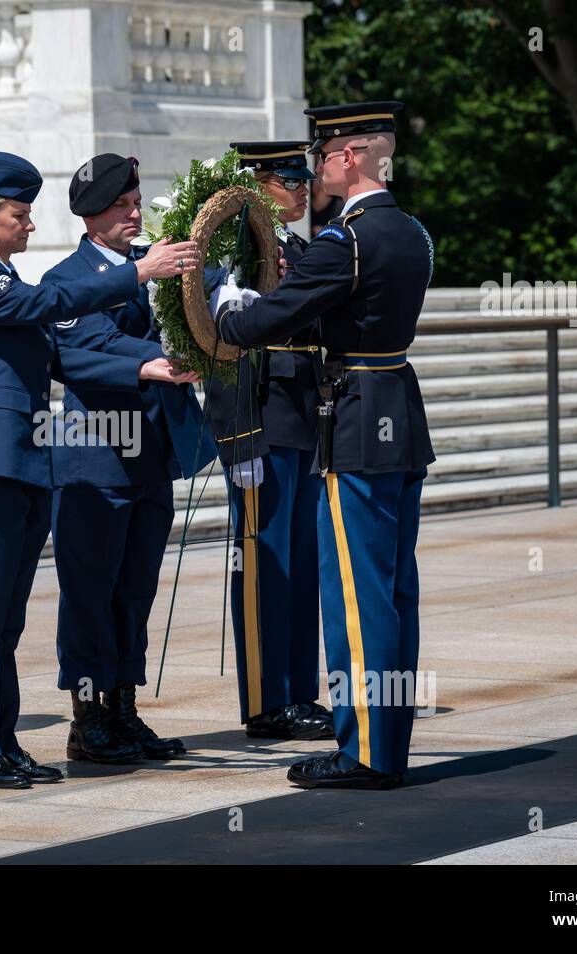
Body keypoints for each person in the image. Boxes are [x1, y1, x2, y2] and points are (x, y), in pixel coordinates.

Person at [0, 151, 201, 789]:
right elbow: (55, 300)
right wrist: (138, 273)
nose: (30, 224)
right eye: (19, 214)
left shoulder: (9, 283)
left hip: (26, 462)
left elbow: (65, 349)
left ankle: (3, 742)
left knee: (6, 620)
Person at [214, 102, 435, 790]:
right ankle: (387, 742)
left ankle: (364, 752)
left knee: (356, 596)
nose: (318, 168)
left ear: (351, 156)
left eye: (325, 155)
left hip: (357, 420)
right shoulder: (413, 233)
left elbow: (274, 319)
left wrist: (224, 312)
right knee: (395, 590)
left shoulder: (347, 240)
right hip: (400, 410)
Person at [44, 154, 217, 763]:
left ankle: (123, 709)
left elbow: (202, 289)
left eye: (137, 202)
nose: (134, 213)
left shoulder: (153, 262)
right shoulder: (68, 278)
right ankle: (87, 720)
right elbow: (89, 345)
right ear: (91, 216)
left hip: (150, 455)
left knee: (135, 590)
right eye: (121, 205)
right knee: (90, 593)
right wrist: (152, 361)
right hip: (96, 458)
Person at [203, 141, 335, 744]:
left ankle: (299, 692)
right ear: (257, 185)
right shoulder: (234, 255)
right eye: (288, 180)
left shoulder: (301, 250)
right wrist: (237, 438)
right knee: (264, 563)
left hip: (304, 419)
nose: (302, 189)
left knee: (302, 562)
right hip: (262, 421)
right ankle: (265, 700)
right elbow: (223, 347)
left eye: (303, 179)